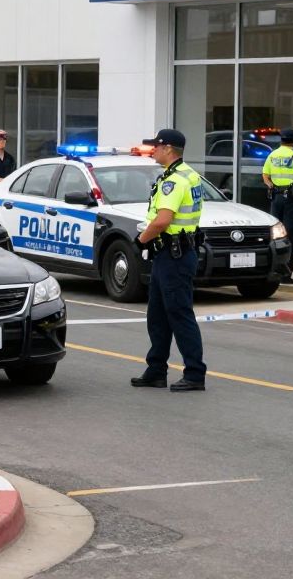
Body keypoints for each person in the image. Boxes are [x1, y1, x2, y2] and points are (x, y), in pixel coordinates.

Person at [131, 129, 207, 392]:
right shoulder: (189, 174)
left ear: (168, 149)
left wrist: (141, 240)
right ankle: (156, 370)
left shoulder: (174, 181)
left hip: (174, 255)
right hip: (173, 255)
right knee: (158, 315)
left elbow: (163, 220)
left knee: (179, 314)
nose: (153, 150)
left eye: (156, 146)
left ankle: (195, 373)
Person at [261, 128, 293, 283]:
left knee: (276, 234)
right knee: (290, 235)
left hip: (276, 198)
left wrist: (271, 186)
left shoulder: (273, 155)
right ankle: (287, 272)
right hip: (292, 200)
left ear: (281, 140)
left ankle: (275, 269)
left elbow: (265, 176)